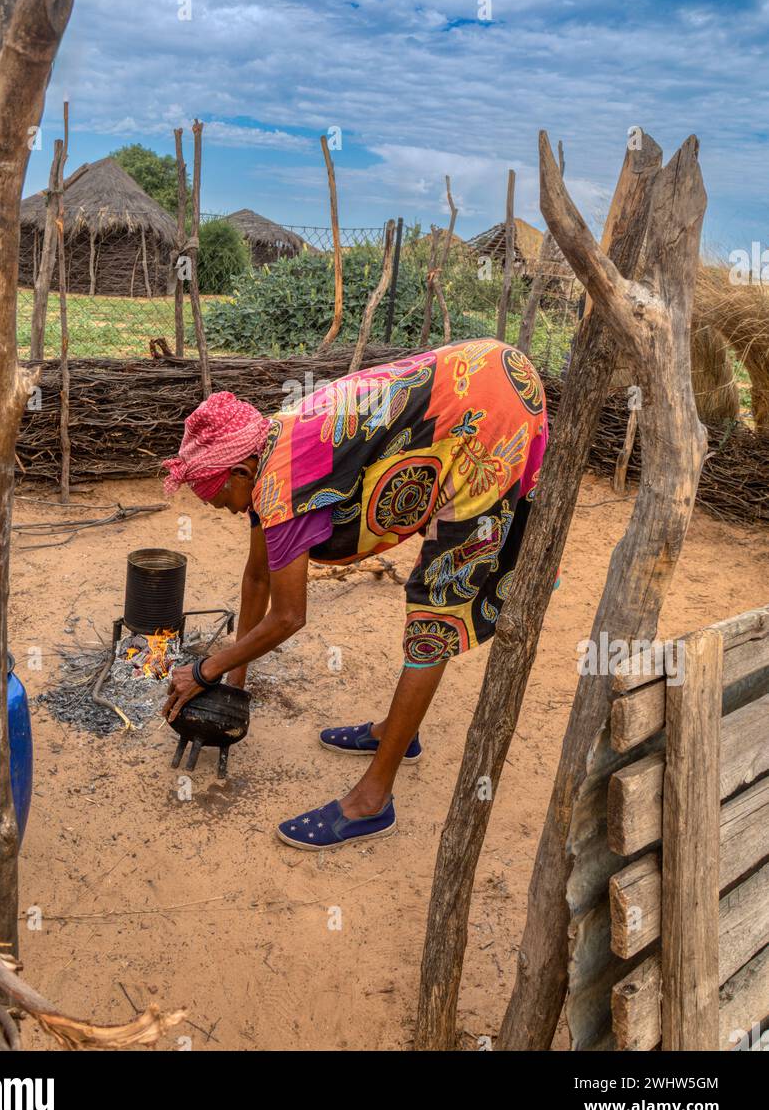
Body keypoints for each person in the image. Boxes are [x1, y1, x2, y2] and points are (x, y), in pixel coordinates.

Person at [161, 339, 548, 851]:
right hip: (476, 380)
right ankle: (398, 732)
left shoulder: (281, 485)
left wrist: (206, 669)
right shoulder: (268, 446)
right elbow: (257, 577)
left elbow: (288, 616)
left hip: (489, 414)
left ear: (240, 473)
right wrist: (234, 684)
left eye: (216, 498)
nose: (220, 510)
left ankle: (372, 803)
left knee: (435, 613)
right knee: (428, 608)